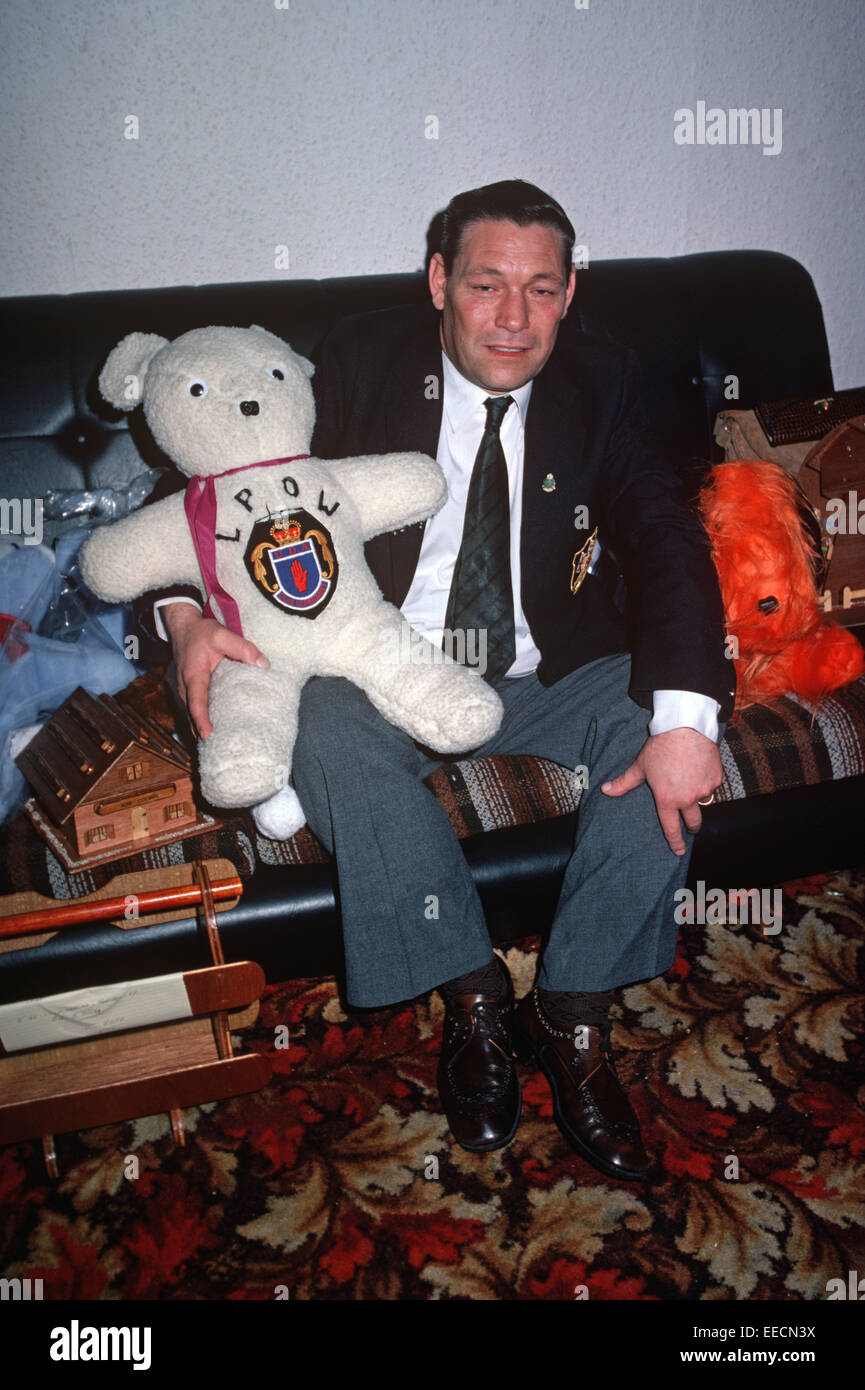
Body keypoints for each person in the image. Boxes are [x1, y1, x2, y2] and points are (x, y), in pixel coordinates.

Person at [153, 180, 735, 1180]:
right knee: (325, 728)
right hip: (382, 664)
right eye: (485, 284)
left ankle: (574, 1013)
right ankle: (471, 997)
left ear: (569, 295)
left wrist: (686, 714)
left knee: (673, 739)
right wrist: (185, 616)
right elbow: (210, 474)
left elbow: (667, 534)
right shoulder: (354, 358)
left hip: (546, 665)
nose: (513, 318)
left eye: (541, 290)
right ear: (438, 282)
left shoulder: (605, 381)